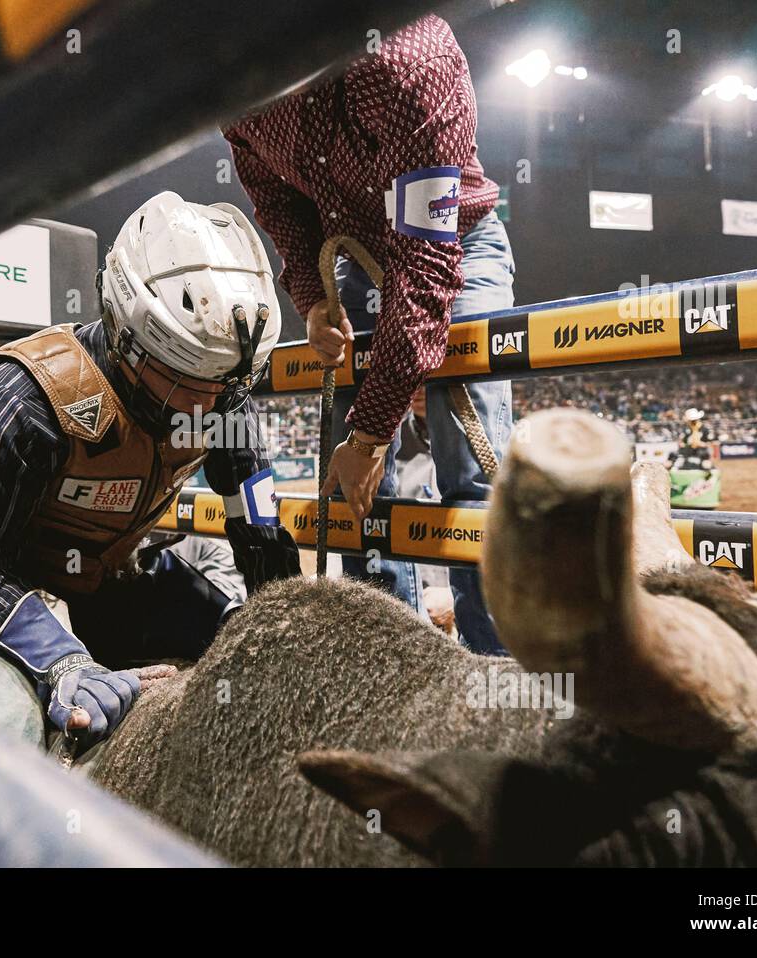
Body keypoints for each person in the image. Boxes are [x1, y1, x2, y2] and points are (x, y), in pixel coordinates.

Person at [0, 192, 301, 751]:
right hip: (12, 596)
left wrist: (284, 619)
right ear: (126, 335)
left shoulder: (222, 396)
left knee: (251, 653)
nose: (205, 408)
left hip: (118, 580)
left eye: (224, 386)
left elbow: (257, 517)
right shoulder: (21, 398)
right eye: (182, 384)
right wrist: (62, 660)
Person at [222, 12, 515, 654]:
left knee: (470, 474)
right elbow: (276, 198)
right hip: (356, 256)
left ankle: (499, 677)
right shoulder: (238, 89)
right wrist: (311, 296)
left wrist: (373, 428)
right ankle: (384, 666)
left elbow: (429, 259)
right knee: (357, 493)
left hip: (456, 248)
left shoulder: (411, 58)